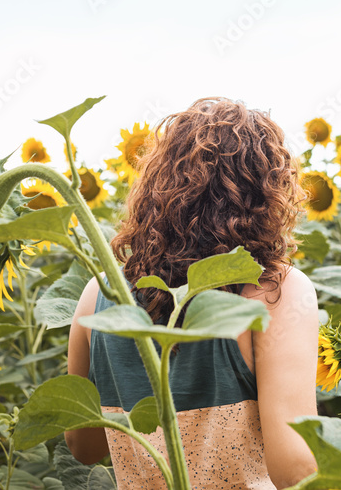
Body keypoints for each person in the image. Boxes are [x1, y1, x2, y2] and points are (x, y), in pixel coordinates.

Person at [66, 97, 320, 489]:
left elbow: (84, 446)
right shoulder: (275, 291)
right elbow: (296, 470)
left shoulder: (98, 295)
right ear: (268, 193)